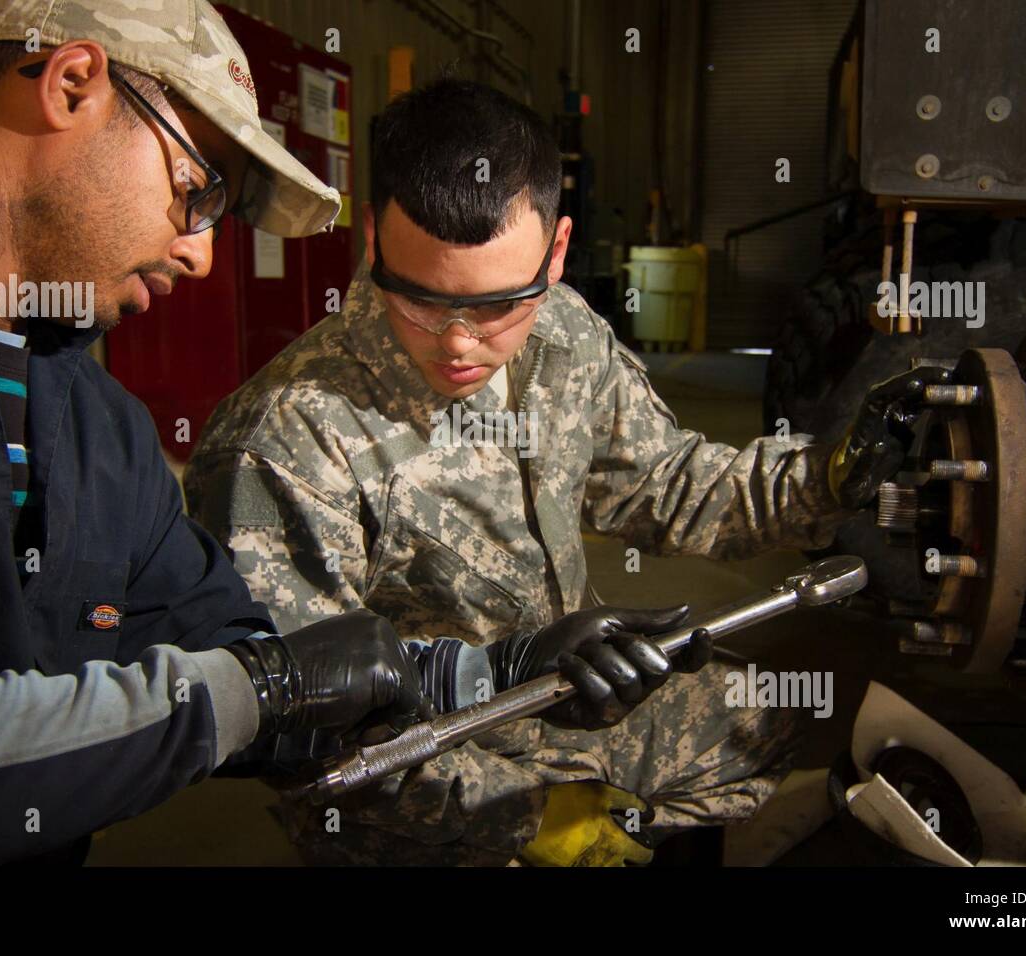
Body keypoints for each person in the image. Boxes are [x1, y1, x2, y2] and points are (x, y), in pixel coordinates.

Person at [0, 2, 687, 866]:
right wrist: (253, 692)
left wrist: (495, 672)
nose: (202, 253)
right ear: (73, 84)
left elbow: (248, 651)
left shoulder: (101, 430)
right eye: (197, 187)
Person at [185, 77, 946, 866]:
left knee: (762, 718)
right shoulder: (284, 442)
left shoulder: (566, 334)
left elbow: (668, 483)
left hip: (563, 701)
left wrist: (832, 475)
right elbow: (306, 734)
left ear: (555, 253)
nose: (456, 342)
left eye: (496, 307)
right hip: (416, 765)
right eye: (418, 301)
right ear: (374, 240)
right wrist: (533, 820)